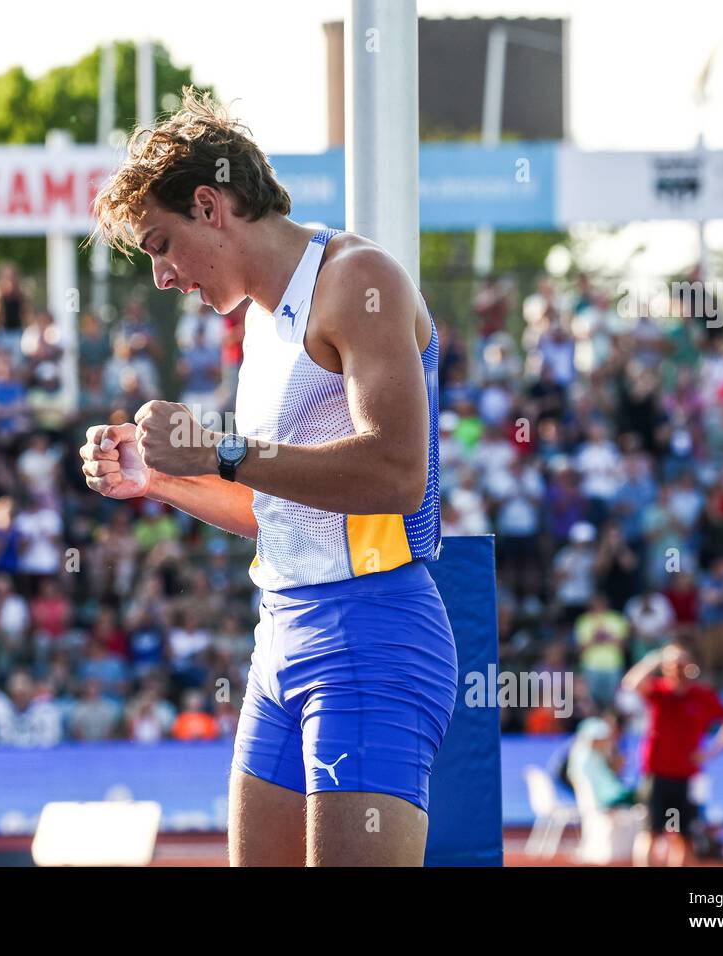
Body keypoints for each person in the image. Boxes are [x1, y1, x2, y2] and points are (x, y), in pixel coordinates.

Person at [81, 89, 455, 866]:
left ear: (211, 206)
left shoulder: (357, 278)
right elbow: (277, 506)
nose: (161, 275)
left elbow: (397, 475)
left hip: (373, 629)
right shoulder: (259, 316)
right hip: (282, 632)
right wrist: (157, 479)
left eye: (160, 243)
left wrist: (216, 450)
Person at [621, 645, 723, 867]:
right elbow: (631, 684)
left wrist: (710, 753)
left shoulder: (702, 696)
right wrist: (655, 659)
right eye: (674, 665)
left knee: (683, 836)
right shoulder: (659, 692)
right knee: (652, 832)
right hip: (657, 774)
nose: (678, 669)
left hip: (686, 777)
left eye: (682, 664)